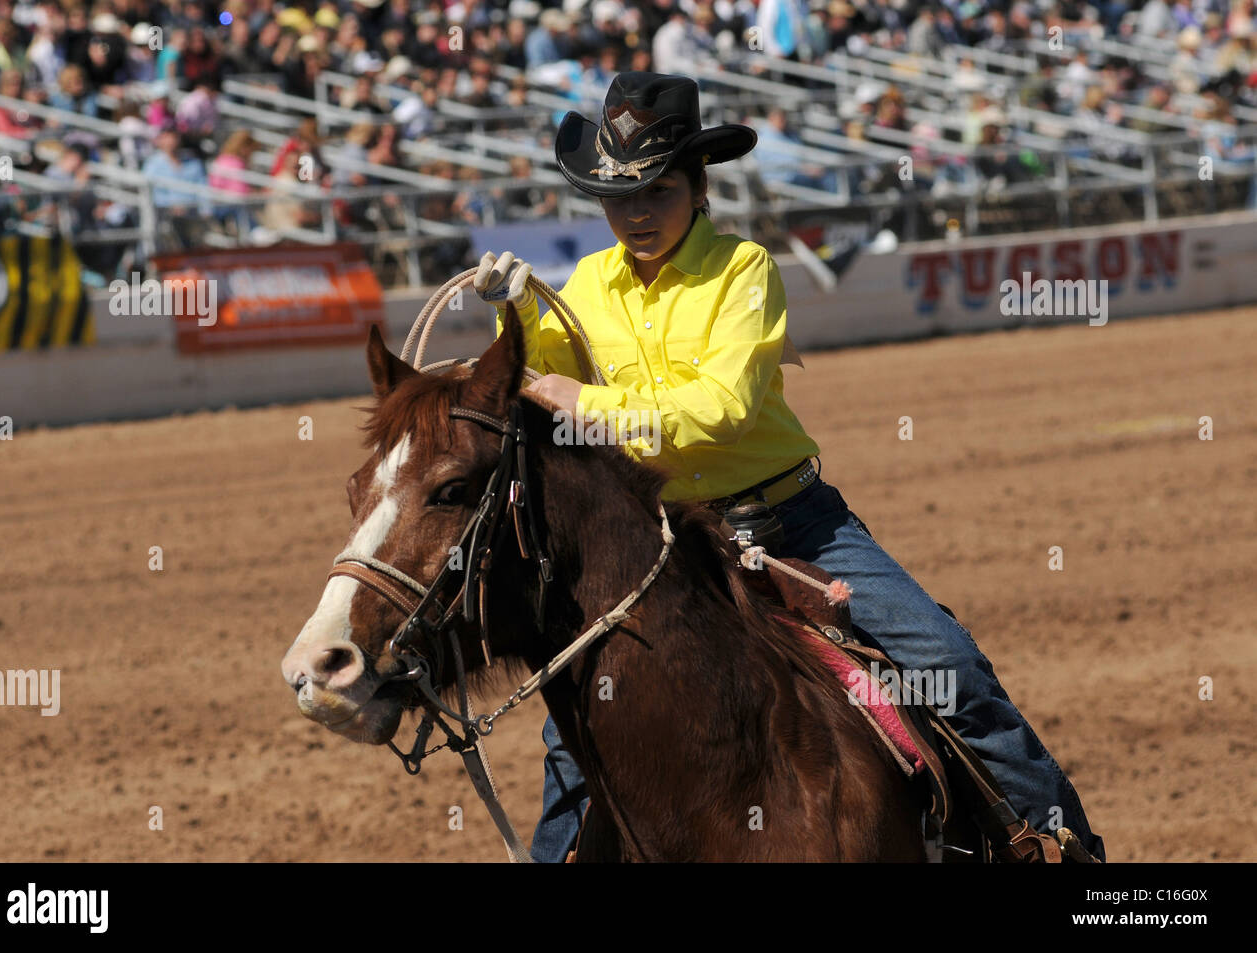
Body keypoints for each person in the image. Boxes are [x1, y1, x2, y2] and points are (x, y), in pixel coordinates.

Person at [472, 71, 1106, 863]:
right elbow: (541, 365)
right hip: (667, 543)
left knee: (945, 661)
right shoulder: (591, 284)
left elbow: (720, 410)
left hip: (796, 522)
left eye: (657, 190)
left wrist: (582, 399)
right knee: (579, 724)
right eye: (616, 197)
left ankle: (1053, 842)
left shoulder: (743, 270)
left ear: (698, 187)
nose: (636, 212)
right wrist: (519, 309)